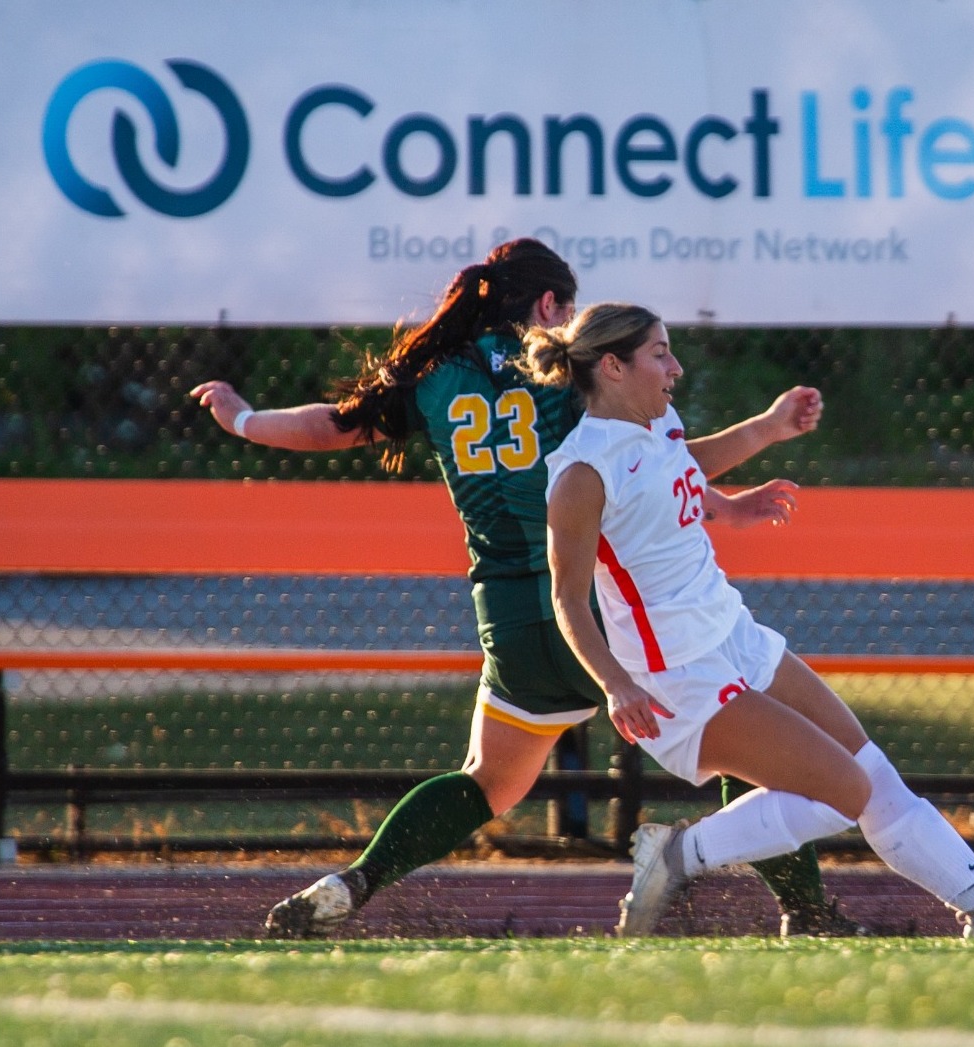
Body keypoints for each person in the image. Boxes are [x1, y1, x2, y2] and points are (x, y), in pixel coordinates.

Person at [191, 238, 859, 939]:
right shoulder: (569, 372)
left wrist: (240, 417)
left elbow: (333, 424)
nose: (572, 322)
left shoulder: (435, 371)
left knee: (488, 781)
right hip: (598, 606)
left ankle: (354, 879)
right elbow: (655, 468)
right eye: (565, 308)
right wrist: (736, 486)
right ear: (546, 305)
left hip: (512, 620)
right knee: (741, 734)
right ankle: (808, 911)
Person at [530, 303, 974, 939]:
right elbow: (568, 599)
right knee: (844, 794)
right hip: (675, 676)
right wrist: (614, 684)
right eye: (659, 353)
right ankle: (676, 856)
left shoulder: (655, 424)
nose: (675, 367)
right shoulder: (579, 472)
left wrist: (750, 465)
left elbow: (677, 469)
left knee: (873, 773)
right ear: (612, 367)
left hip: (734, 634)